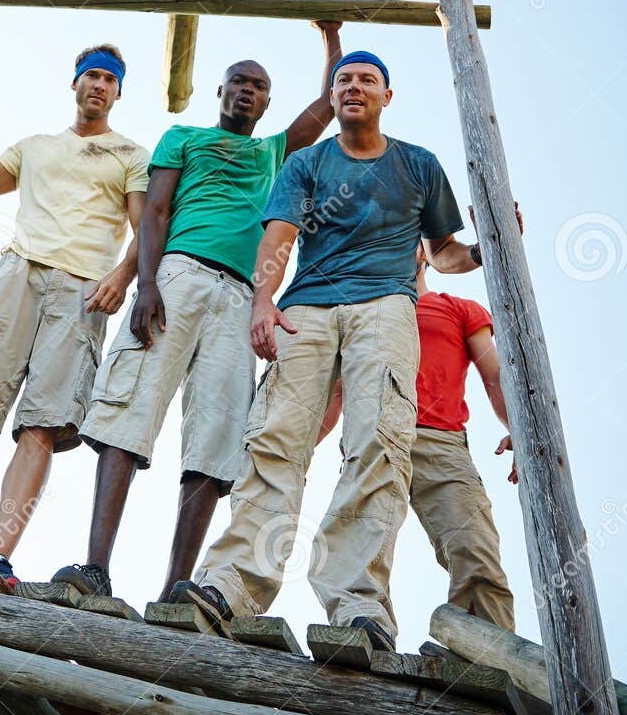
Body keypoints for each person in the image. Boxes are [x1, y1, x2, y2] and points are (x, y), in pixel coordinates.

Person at [172, 49, 491, 652]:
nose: (353, 87)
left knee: (377, 442)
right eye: (344, 79)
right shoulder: (310, 161)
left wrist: (483, 250)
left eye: (367, 79)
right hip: (309, 306)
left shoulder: (418, 165)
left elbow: (444, 250)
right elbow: (281, 234)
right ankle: (233, 582)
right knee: (274, 438)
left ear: (386, 96)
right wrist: (263, 301)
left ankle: (358, 602)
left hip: (387, 306)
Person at [52, 18, 344, 603]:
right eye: (238, 81)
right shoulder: (182, 137)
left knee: (216, 434)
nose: (246, 90)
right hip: (179, 275)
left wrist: (330, 35)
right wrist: (147, 284)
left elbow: (327, 106)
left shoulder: (273, 151)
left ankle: (176, 589)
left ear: (266, 102)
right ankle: (96, 569)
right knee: (132, 406)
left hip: (240, 295)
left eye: (258, 86)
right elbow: (155, 212)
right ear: (221, 91)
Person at [0, 45, 149, 581]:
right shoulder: (36, 147)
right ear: (75, 84)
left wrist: (122, 276)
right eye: (92, 76)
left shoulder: (130, 154)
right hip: (17, 275)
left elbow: (146, 229)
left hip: (84, 288)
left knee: (41, 423)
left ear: (119, 92)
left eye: (110, 79)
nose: (100, 85)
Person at [316, 245, 516, 629]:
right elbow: (338, 395)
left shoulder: (457, 308)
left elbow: (494, 376)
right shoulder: (361, 313)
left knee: (475, 546)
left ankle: (486, 651)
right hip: (376, 431)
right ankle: (362, 622)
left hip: (442, 441)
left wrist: (518, 432)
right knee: (361, 536)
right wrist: (302, 452)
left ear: (424, 253)